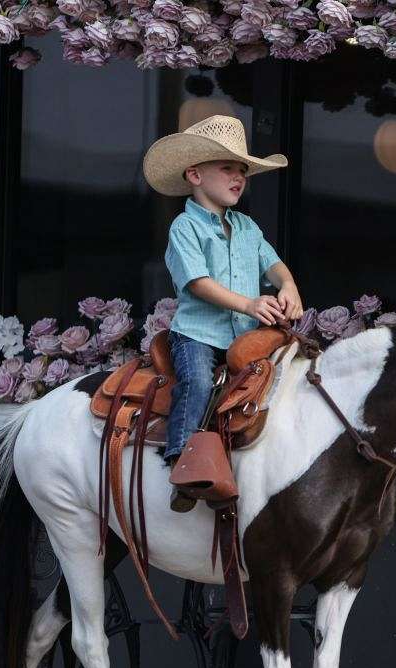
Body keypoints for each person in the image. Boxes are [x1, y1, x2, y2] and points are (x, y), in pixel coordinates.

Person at [142, 114, 303, 512]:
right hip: (198, 334)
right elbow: (197, 282)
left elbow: (274, 264)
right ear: (195, 175)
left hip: (244, 338)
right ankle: (183, 462)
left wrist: (288, 285)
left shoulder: (247, 227)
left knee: (288, 378)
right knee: (196, 382)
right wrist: (249, 303)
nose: (238, 177)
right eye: (227, 168)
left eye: (243, 171)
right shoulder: (184, 228)